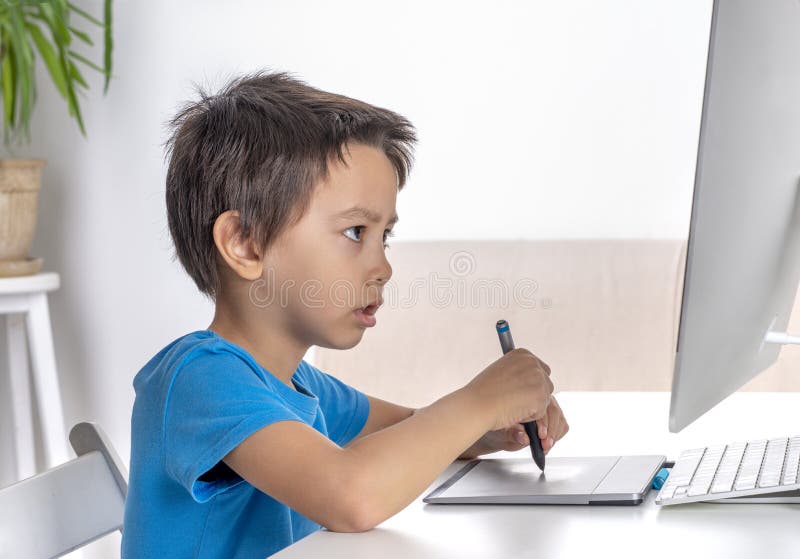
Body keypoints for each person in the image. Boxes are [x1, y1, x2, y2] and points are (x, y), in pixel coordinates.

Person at [121, 69, 569, 558]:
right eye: (356, 232)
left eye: (385, 236)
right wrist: (480, 400)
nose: (383, 266)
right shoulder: (197, 380)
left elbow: (413, 432)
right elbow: (352, 495)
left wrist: (490, 430)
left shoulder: (301, 387)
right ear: (245, 244)